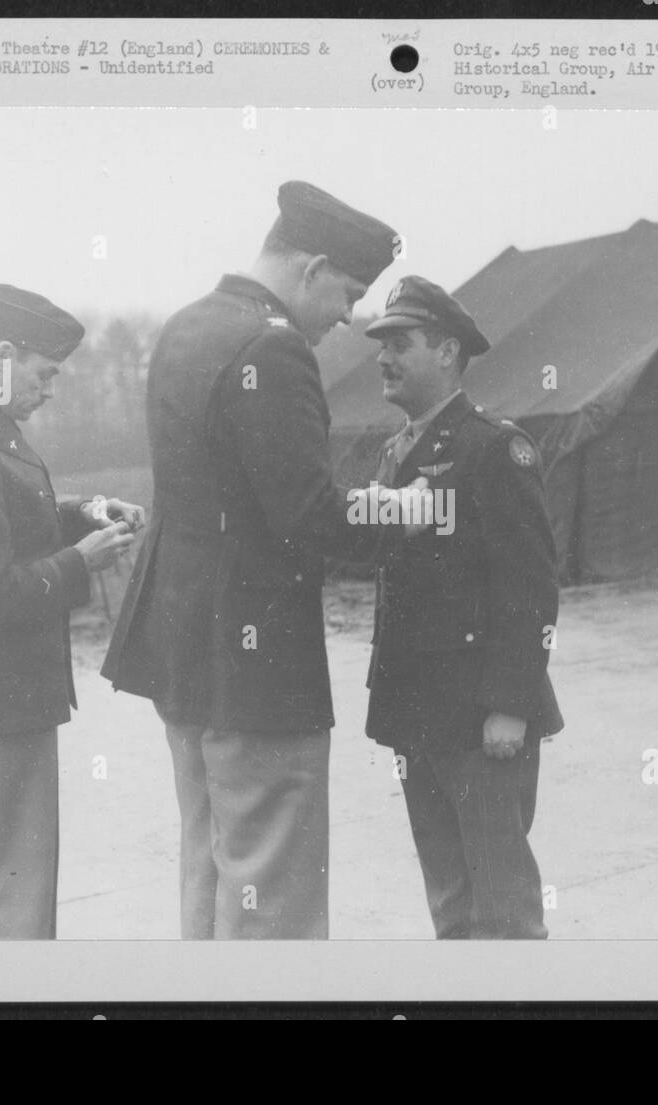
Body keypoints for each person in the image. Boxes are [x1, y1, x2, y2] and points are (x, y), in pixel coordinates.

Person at [101, 181, 408, 939]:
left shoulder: (186, 326)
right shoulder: (274, 346)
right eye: (349, 292)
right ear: (313, 268)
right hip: (259, 667)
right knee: (275, 895)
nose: (348, 315)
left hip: (186, 657)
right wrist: (407, 511)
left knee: (211, 871)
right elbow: (309, 513)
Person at [0, 282, 144, 939]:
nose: (51, 389)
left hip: (9, 682)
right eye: (44, 374)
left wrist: (88, 512)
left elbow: (16, 515)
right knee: (13, 874)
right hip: (0, 681)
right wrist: (82, 561)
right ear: (4, 354)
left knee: (21, 864)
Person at [362, 276, 563, 939]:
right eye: (381, 343)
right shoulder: (396, 453)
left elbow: (529, 587)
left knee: (501, 902)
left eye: (400, 342)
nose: (384, 357)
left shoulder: (492, 448)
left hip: (481, 714)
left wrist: (511, 701)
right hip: (416, 713)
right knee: (450, 901)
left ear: (448, 351)